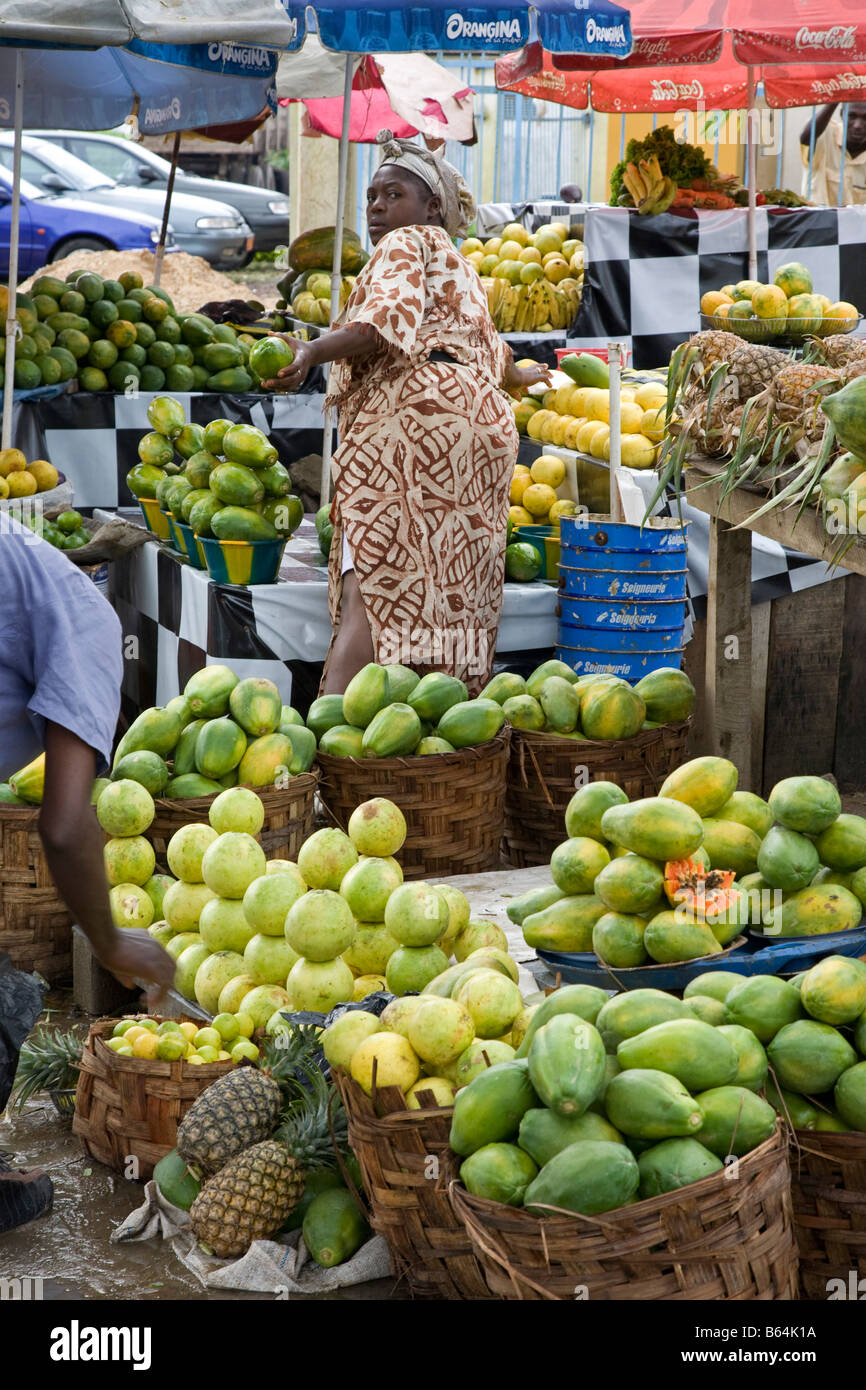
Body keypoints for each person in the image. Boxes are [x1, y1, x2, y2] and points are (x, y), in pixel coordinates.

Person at [262, 132, 551, 694]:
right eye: (371, 197)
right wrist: (518, 375)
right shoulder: (462, 267)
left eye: (392, 195)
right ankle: (441, 741)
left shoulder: (404, 244)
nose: (376, 208)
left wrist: (313, 351)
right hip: (482, 431)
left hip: (413, 429)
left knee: (372, 587)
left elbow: (386, 320)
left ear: (432, 208)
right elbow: (487, 351)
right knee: (450, 588)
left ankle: (338, 747)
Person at [0, 514, 174, 1234]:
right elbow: (68, 825)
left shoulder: (20, 563)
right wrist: (111, 941)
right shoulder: (92, 627)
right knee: (8, 1002)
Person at [800, 102, 866, 205]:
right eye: (851, 116)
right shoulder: (823, 132)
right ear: (842, 114)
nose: (858, 125)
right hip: (817, 219)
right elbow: (806, 139)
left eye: (865, 118)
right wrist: (835, 98)